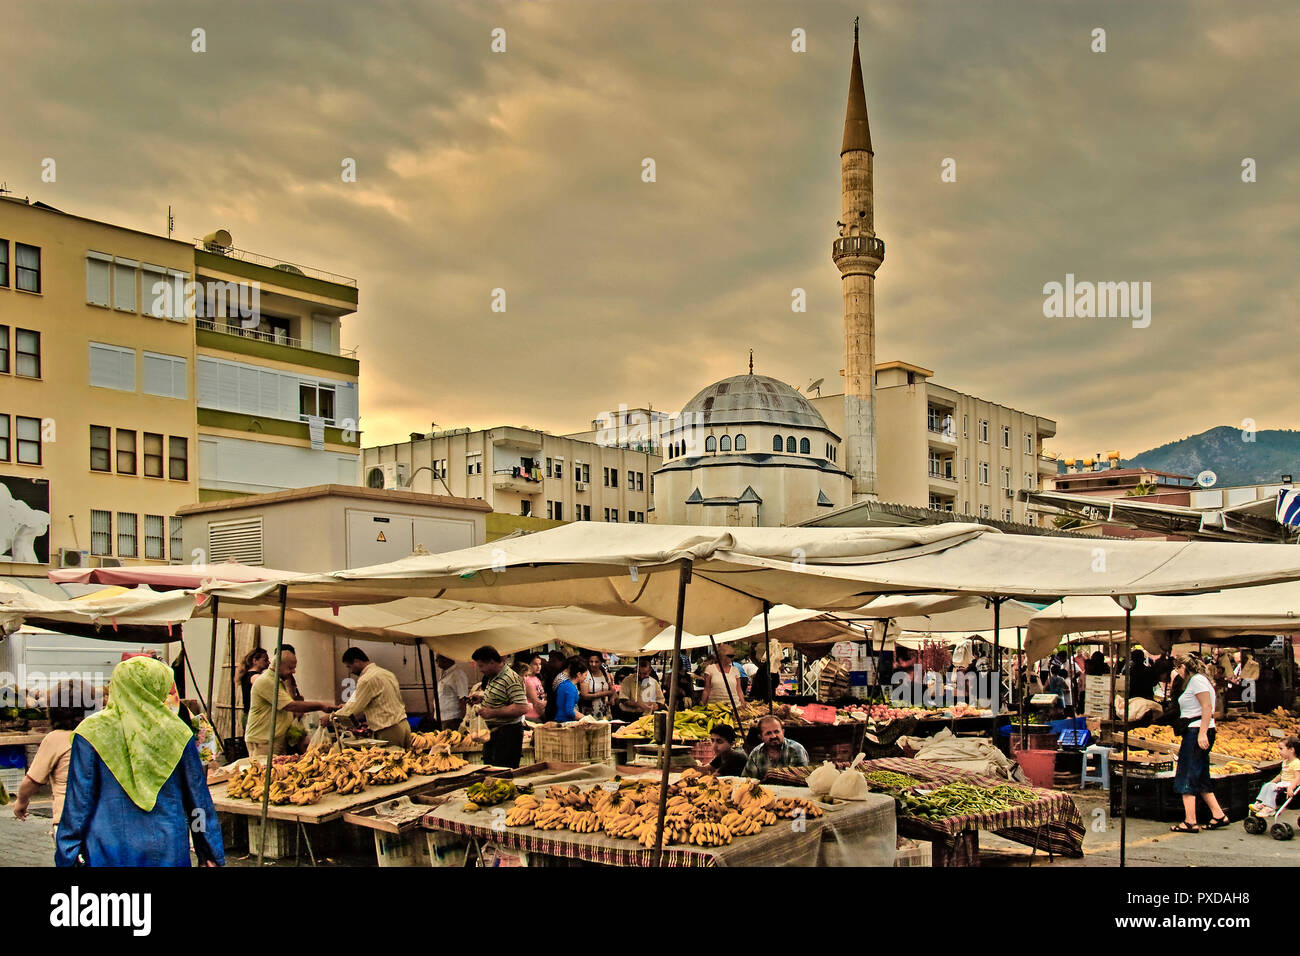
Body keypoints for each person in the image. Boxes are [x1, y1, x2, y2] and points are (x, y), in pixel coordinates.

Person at [55, 656, 225, 867]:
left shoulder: (91, 732)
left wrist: (67, 854)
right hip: (167, 849)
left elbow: (78, 802)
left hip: (107, 849)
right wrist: (208, 851)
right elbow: (197, 800)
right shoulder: (177, 732)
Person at [1168, 655, 1229, 833]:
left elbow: (1207, 707)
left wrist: (1202, 733)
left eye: (1177, 668)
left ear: (1183, 667)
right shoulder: (1196, 681)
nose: (1177, 672)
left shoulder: (1196, 681)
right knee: (1201, 774)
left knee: (1187, 772)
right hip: (1196, 730)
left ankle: (1190, 820)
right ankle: (1218, 814)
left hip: (1196, 731)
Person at [244, 646, 335, 758]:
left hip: (275, 739)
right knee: (265, 772)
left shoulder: (279, 681)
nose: (293, 671)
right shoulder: (266, 681)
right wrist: (321, 705)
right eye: (290, 668)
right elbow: (290, 706)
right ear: (279, 665)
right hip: (263, 742)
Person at [11, 701, 80, 842]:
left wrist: (21, 802)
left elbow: (32, 781)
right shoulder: (96, 736)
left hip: (67, 818)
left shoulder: (55, 738)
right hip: (100, 818)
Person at [334, 648, 410, 748]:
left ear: (357, 661)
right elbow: (380, 699)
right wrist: (346, 706)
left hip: (388, 731)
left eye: (349, 666)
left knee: (390, 761)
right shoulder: (386, 673)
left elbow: (352, 709)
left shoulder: (366, 679)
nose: (350, 671)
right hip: (403, 726)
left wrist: (332, 716)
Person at [469, 646, 528, 768]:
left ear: (491, 662)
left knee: (502, 772)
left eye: (481, 666)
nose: (480, 670)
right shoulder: (494, 677)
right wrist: (483, 699)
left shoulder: (510, 678)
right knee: (491, 770)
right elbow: (503, 699)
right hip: (494, 734)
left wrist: (492, 712)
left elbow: (521, 707)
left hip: (507, 734)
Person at [742, 716, 810, 779]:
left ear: (783, 732)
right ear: (761, 737)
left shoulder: (796, 750)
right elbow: (748, 779)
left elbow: (800, 779)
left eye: (776, 732)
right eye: (768, 733)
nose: (774, 736)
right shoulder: (756, 753)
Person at [1250, 736, 1300, 817]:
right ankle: (1260, 803)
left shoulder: (1296, 763)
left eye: (1281, 749)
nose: (1278, 751)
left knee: (1271, 787)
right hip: (1283, 784)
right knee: (1267, 785)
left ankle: (1270, 808)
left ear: (1291, 750)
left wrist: (1291, 787)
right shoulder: (1285, 762)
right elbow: (1281, 775)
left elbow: (1298, 777)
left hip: (1289, 785)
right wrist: (1271, 782)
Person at [434, 655, 473, 729]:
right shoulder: (444, 673)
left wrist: (464, 721)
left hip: (451, 719)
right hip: (442, 717)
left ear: (446, 659)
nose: (436, 661)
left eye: (437, 659)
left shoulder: (458, 674)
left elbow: (463, 698)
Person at [701, 643, 746, 708]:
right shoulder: (710, 669)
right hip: (714, 707)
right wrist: (702, 704)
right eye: (729, 655)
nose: (731, 658)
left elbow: (739, 690)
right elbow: (706, 689)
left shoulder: (735, 670)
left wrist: (743, 702)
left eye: (732, 656)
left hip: (734, 706)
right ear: (721, 655)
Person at [236, 648, 270, 731]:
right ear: (255, 660)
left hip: (248, 714)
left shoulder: (246, 675)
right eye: (265, 660)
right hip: (254, 717)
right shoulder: (255, 677)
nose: (268, 663)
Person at [550, 657, 588, 722]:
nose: (585, 677)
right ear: (579, 674)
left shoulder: (564, 684)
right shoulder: (570, 688)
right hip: (566, 721)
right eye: (585, 675)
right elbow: (569, 711)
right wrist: (585, 718)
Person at [578, 651, 615, 718]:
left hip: (605, 711)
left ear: (601, 662)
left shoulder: (605, 674)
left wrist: (612, 698)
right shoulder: (586, 675)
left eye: (596, 662)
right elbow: (584, 695)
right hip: (590, 711)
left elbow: (611, 689)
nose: (593, 664)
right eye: (591, 662)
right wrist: (605, 693)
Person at [516, 653, 547, 721]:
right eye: (535, 664)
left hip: (538, 714)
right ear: (529, 664)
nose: (538, 666)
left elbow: (541, 697)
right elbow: (536, 703)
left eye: (540, 664)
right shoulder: (527, 679)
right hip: (531, 716)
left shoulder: (536, 678)